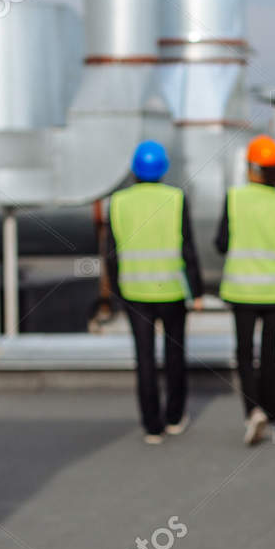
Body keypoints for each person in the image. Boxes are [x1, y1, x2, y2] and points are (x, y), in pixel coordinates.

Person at [108, 140, 204, 445]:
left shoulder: (119, 202)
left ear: (134, 169)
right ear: (163, 169)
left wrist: (116, 292)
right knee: (174, 356)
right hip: (172, 291)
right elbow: (188, 248)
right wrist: (197, 291)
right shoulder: (176, 199)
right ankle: (174, 417)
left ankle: (152, 426)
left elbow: (110, 253)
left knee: (145, 360)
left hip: (135, 291)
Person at [217, 134, 275, 446]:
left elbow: (221, 243)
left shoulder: (235, 198)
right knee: (270, 351)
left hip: (241, 290)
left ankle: (252, 411)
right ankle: (274, 410)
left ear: (251, 167)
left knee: (244, 352)